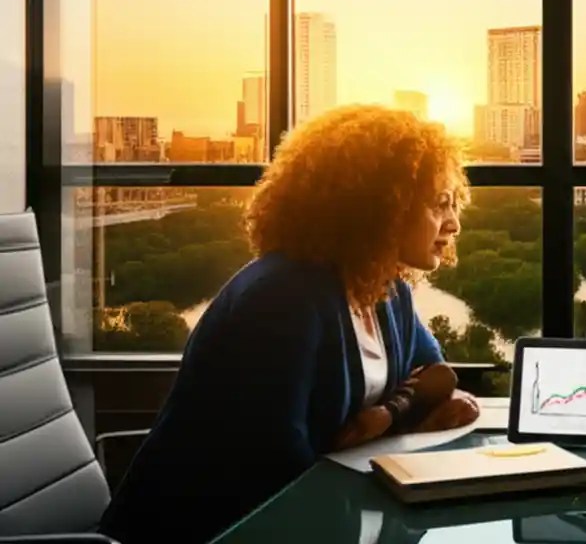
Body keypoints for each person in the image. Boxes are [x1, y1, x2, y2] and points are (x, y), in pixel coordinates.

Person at [99, 105, 481, 544]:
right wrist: (407, 423)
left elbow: (437, 378)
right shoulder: (281, 299)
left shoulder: (387, 290)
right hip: (217, 530)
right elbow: (279, 473)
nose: (454, 223)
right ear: (381, 206)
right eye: (440, 203)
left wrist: (386, 414)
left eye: (455, 203)